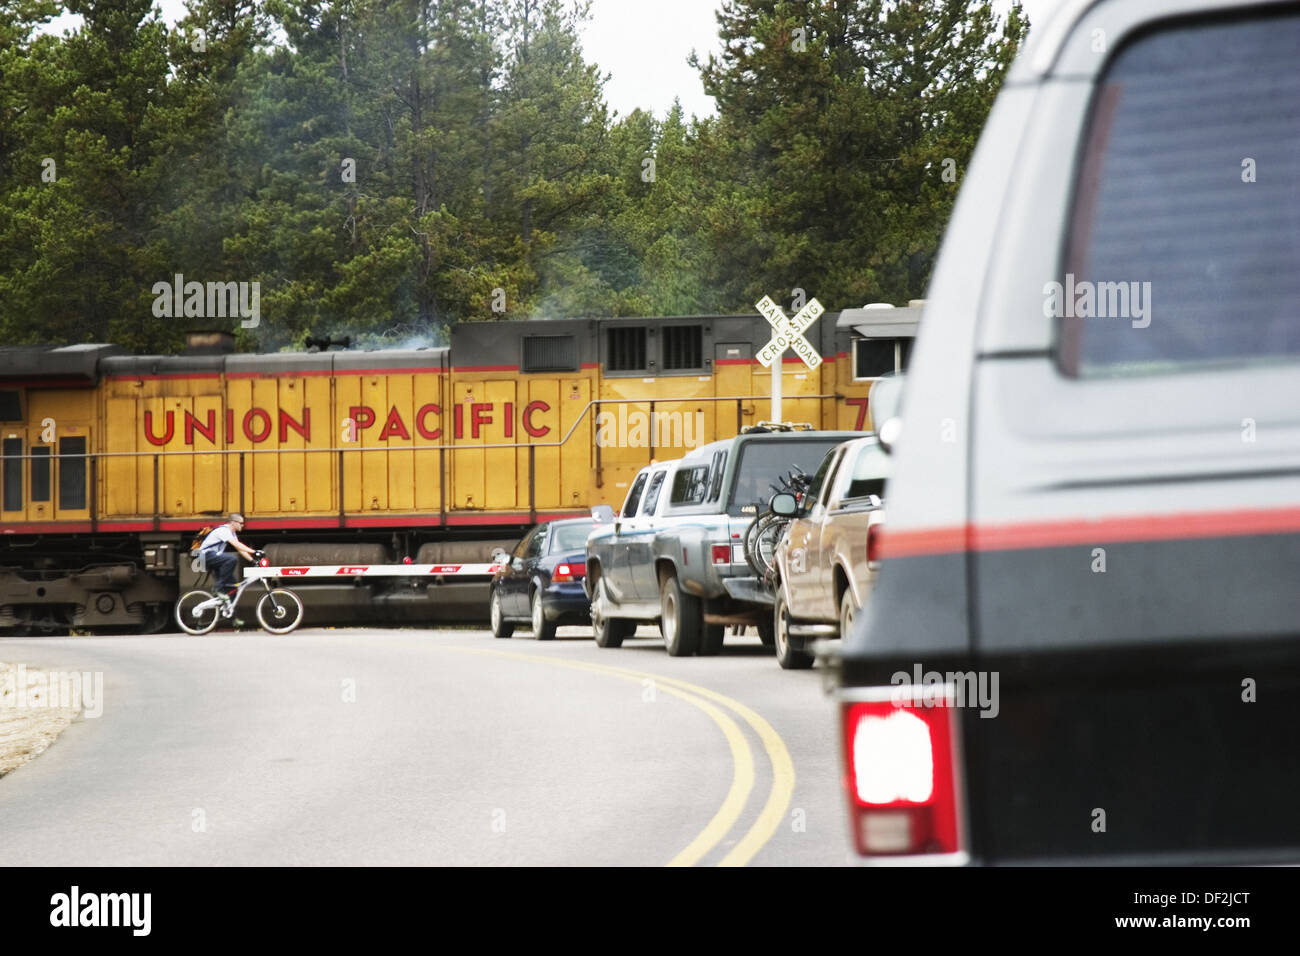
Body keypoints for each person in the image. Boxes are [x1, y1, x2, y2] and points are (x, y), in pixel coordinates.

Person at [197, 513, 257, 600]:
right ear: (233, 522)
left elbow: (240, 549)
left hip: (213, 557)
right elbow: (236, 544)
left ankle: (226, 610)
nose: (243, 525)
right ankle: (218, 588)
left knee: (232, 588)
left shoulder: (232, 533)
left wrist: (252, 561)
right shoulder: (224, 530)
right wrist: (254, 551)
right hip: (205, 555)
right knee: (232, 559)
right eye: (241, 523)